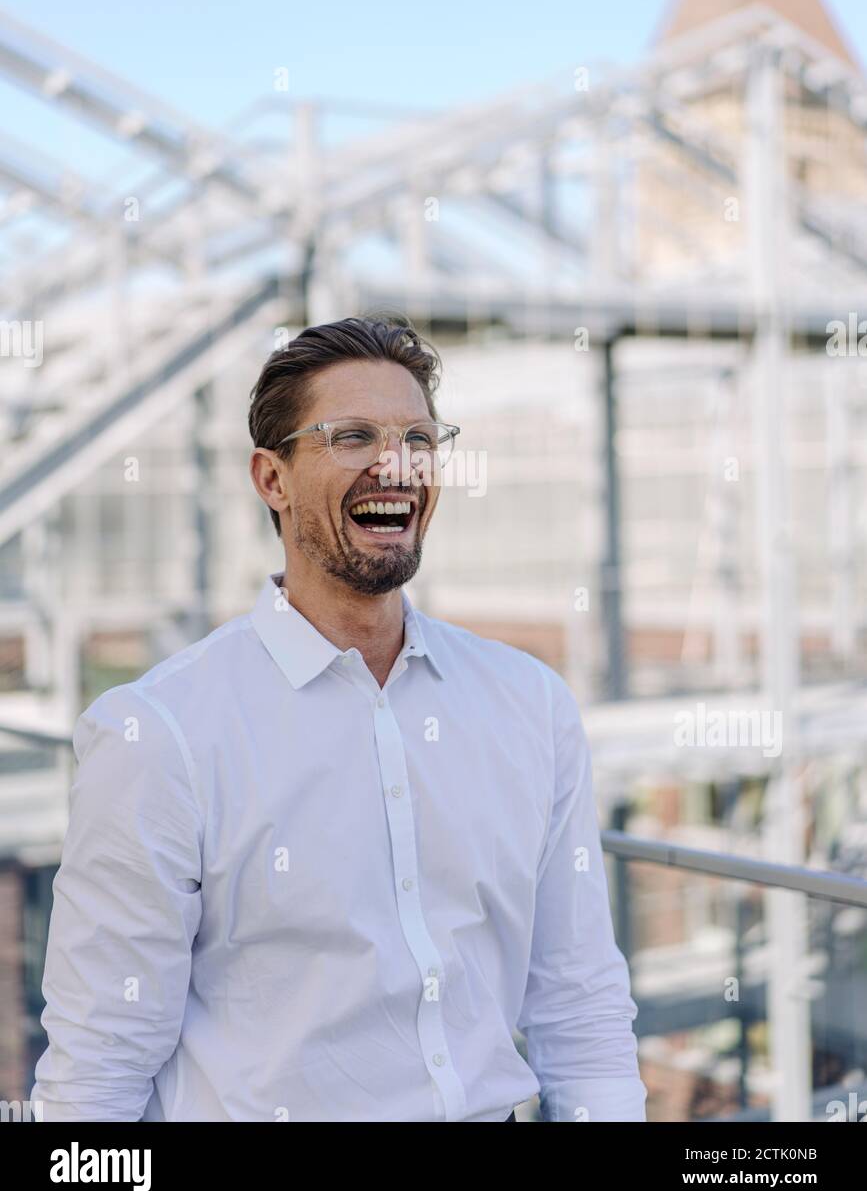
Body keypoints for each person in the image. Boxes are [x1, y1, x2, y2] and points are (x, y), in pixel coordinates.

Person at [31, 313, 647, 1122]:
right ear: (271, 479)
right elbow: (98, 1066)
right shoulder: (162, 735)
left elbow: (578, 1001)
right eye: (352, 436)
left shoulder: (529, 705)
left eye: (417, 440)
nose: (394, 466)